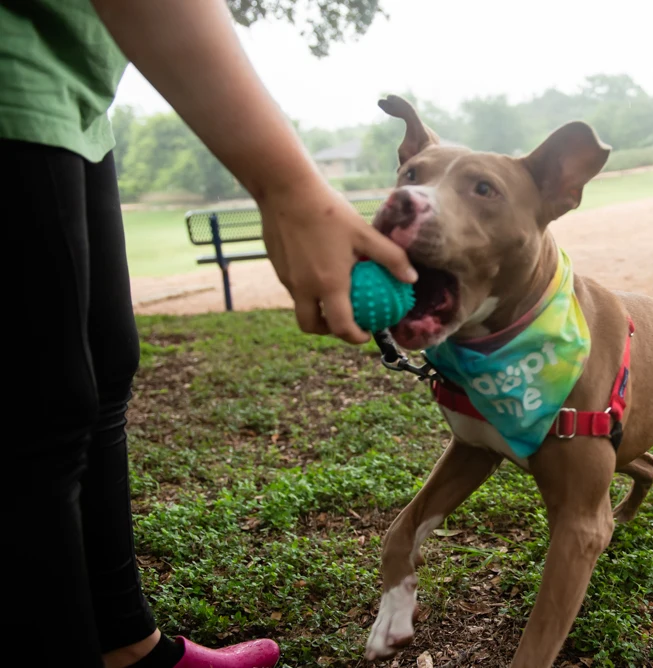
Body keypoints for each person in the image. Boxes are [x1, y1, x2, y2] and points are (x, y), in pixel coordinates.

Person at [0, 0, 416, 666]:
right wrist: (290, 188)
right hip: (11, 77)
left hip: (72, 91)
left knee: (107, 373)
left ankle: (130, 647)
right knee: (35, 419)